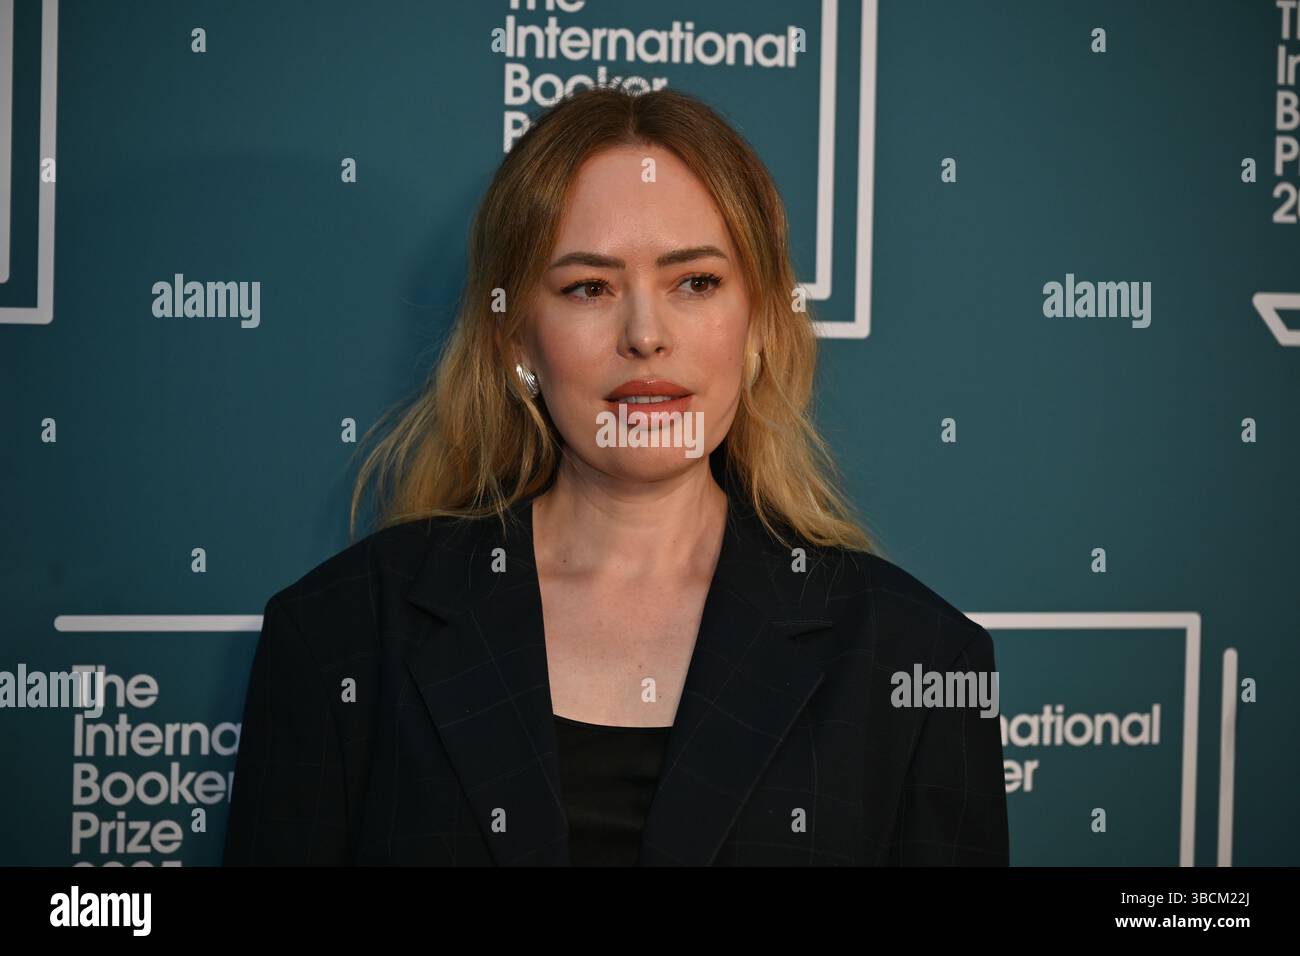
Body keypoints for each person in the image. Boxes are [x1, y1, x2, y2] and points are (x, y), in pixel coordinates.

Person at [222, 85, 1009, 866]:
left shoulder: (918, 658)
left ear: (762, 323)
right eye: (588, 288)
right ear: (515, 341)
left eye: (695, 282)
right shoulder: (340, 637)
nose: (644, 335)